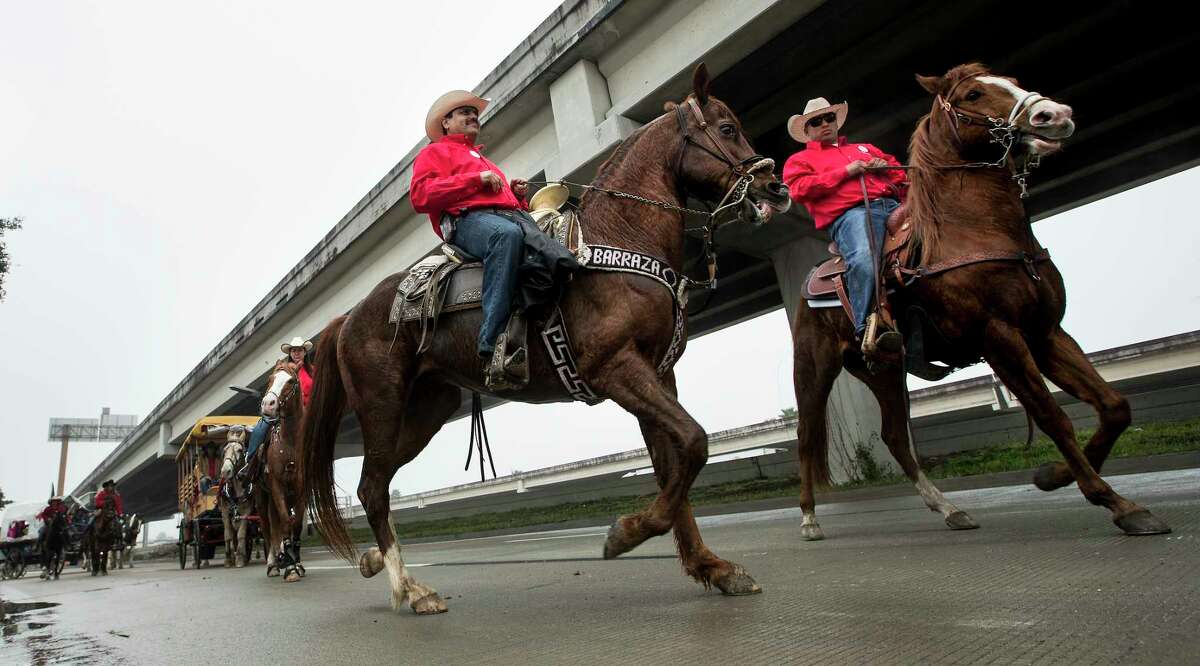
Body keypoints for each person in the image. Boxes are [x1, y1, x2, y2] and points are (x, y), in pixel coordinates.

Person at [409, 90, 534, 386]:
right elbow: (420, 196)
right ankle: (493, 344)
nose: (472, 116)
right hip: (465, 223)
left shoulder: (486, 161)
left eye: (474, 112)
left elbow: (509, 208)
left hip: (505, 218)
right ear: (446, 123)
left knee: (551, 244)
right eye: (464, 112)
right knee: (505, 236)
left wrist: (518, 197)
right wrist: (473, 180)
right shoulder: (433, 153)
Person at [782, 97, 907, 358]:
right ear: (807, 131)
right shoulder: (799, 160)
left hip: (894, 205)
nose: (825, 124)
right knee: (862, 258)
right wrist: (846, 172)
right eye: (816, 121)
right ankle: (867, 327)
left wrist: (886, 168)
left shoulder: (866, 148)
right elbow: (799, 189)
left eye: (829, 118)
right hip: (852, 215)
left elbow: (902, 175)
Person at [241, 337, 315, 481]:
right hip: (282, 411)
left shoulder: (313, 371)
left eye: (299, 350)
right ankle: (249, 465)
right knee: (259, 430)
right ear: (290, 353)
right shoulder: (282, 369)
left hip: (307, 413)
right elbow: (273, 388)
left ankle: (322, 470)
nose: (296, 353)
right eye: (294, 350)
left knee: (322, 434)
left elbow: (317, 393)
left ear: (305, 352)